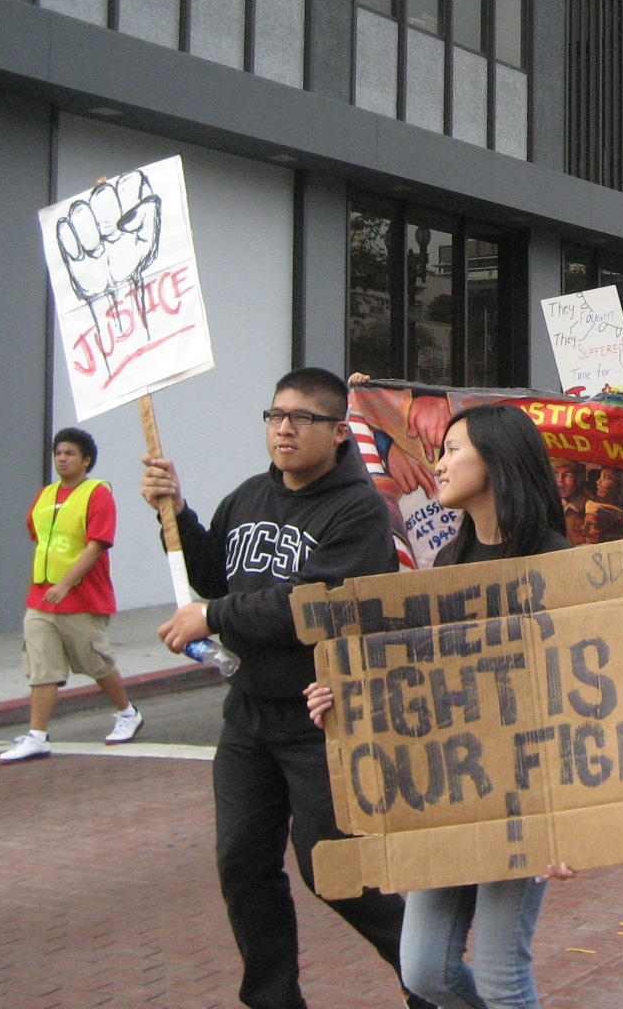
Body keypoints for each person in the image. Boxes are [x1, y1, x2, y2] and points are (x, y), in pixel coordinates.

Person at [141, 368, 432, 1009]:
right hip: (248, 715)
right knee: (242, 863)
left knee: (334, 869)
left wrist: (215, 618)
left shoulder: (357, 510)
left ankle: (431, 980)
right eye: (275, 416)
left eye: (301, 419)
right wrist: (176, 512)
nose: (284, 429)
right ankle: (272, 998)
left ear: (335, 432)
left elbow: (318, 604)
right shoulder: (247, 497)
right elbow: (213, 572)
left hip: (323, 715)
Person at [306, 402, 576, 1009]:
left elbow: (575, 695)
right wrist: (347, 698)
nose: (439, 462)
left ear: (499, 462)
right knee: (424, 971)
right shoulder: (447, 563)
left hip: (522, 796)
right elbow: (426, 682)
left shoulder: (554, 563)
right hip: (448, 793)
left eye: (454, 449)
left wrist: (566, 819)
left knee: (504, 978)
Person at [0, 427, 143, 763]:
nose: (62, 459)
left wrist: (65, 584)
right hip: (41, 597)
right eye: (58, 453)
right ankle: (37, 735)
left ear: (86, 460)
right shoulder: (45, 495)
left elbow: (97, 544)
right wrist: (51, 584)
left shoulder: (97, 494)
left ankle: (127, 713)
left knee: (94, 661)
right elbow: (38, 535)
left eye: (70, 454)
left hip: (82, 597)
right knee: (41, 666)